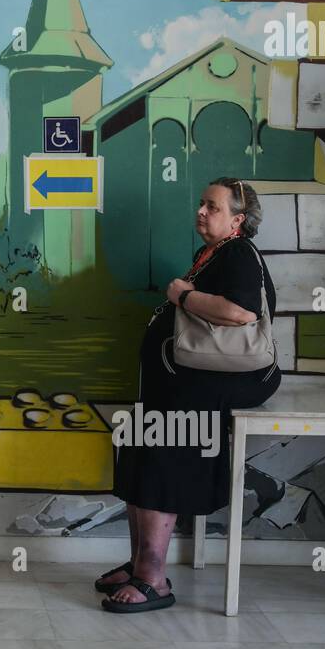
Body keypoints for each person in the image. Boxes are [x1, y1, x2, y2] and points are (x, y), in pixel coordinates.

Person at [96, 177, 281, 613]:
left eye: (212, 207)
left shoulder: (238, 253)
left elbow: (240, 313)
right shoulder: (210, 253)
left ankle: (154, 580)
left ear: (238, 220)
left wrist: (184, 294)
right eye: (201, 204)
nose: (200, 211)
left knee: (164, 448)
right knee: (140, 445)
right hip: (187, 379)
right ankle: (141, 562)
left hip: (227, 380)